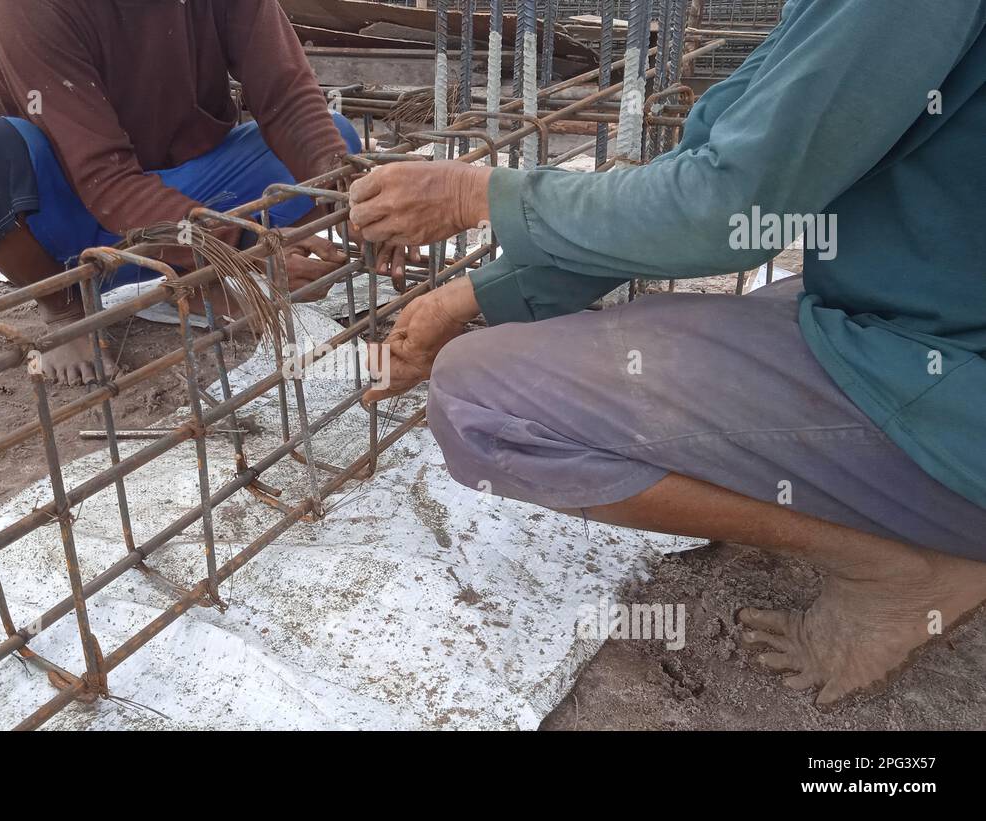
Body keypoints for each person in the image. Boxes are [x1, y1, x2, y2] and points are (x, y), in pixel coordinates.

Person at [349, 0, 986, 707]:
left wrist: (477, 194)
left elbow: (725, 208)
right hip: (922, 327)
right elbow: (712, 166)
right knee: (661, 334)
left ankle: (898, 572)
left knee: (476, 397)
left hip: (947, 385)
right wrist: (472, 296)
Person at [0, 0, 382, 384]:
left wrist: (353, 197)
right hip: (78, 223)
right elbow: (105, 179)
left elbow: (288, 98)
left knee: (335, 143)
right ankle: (65, 311)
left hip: (189, 194)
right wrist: (245, 243)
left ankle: (197, 283)